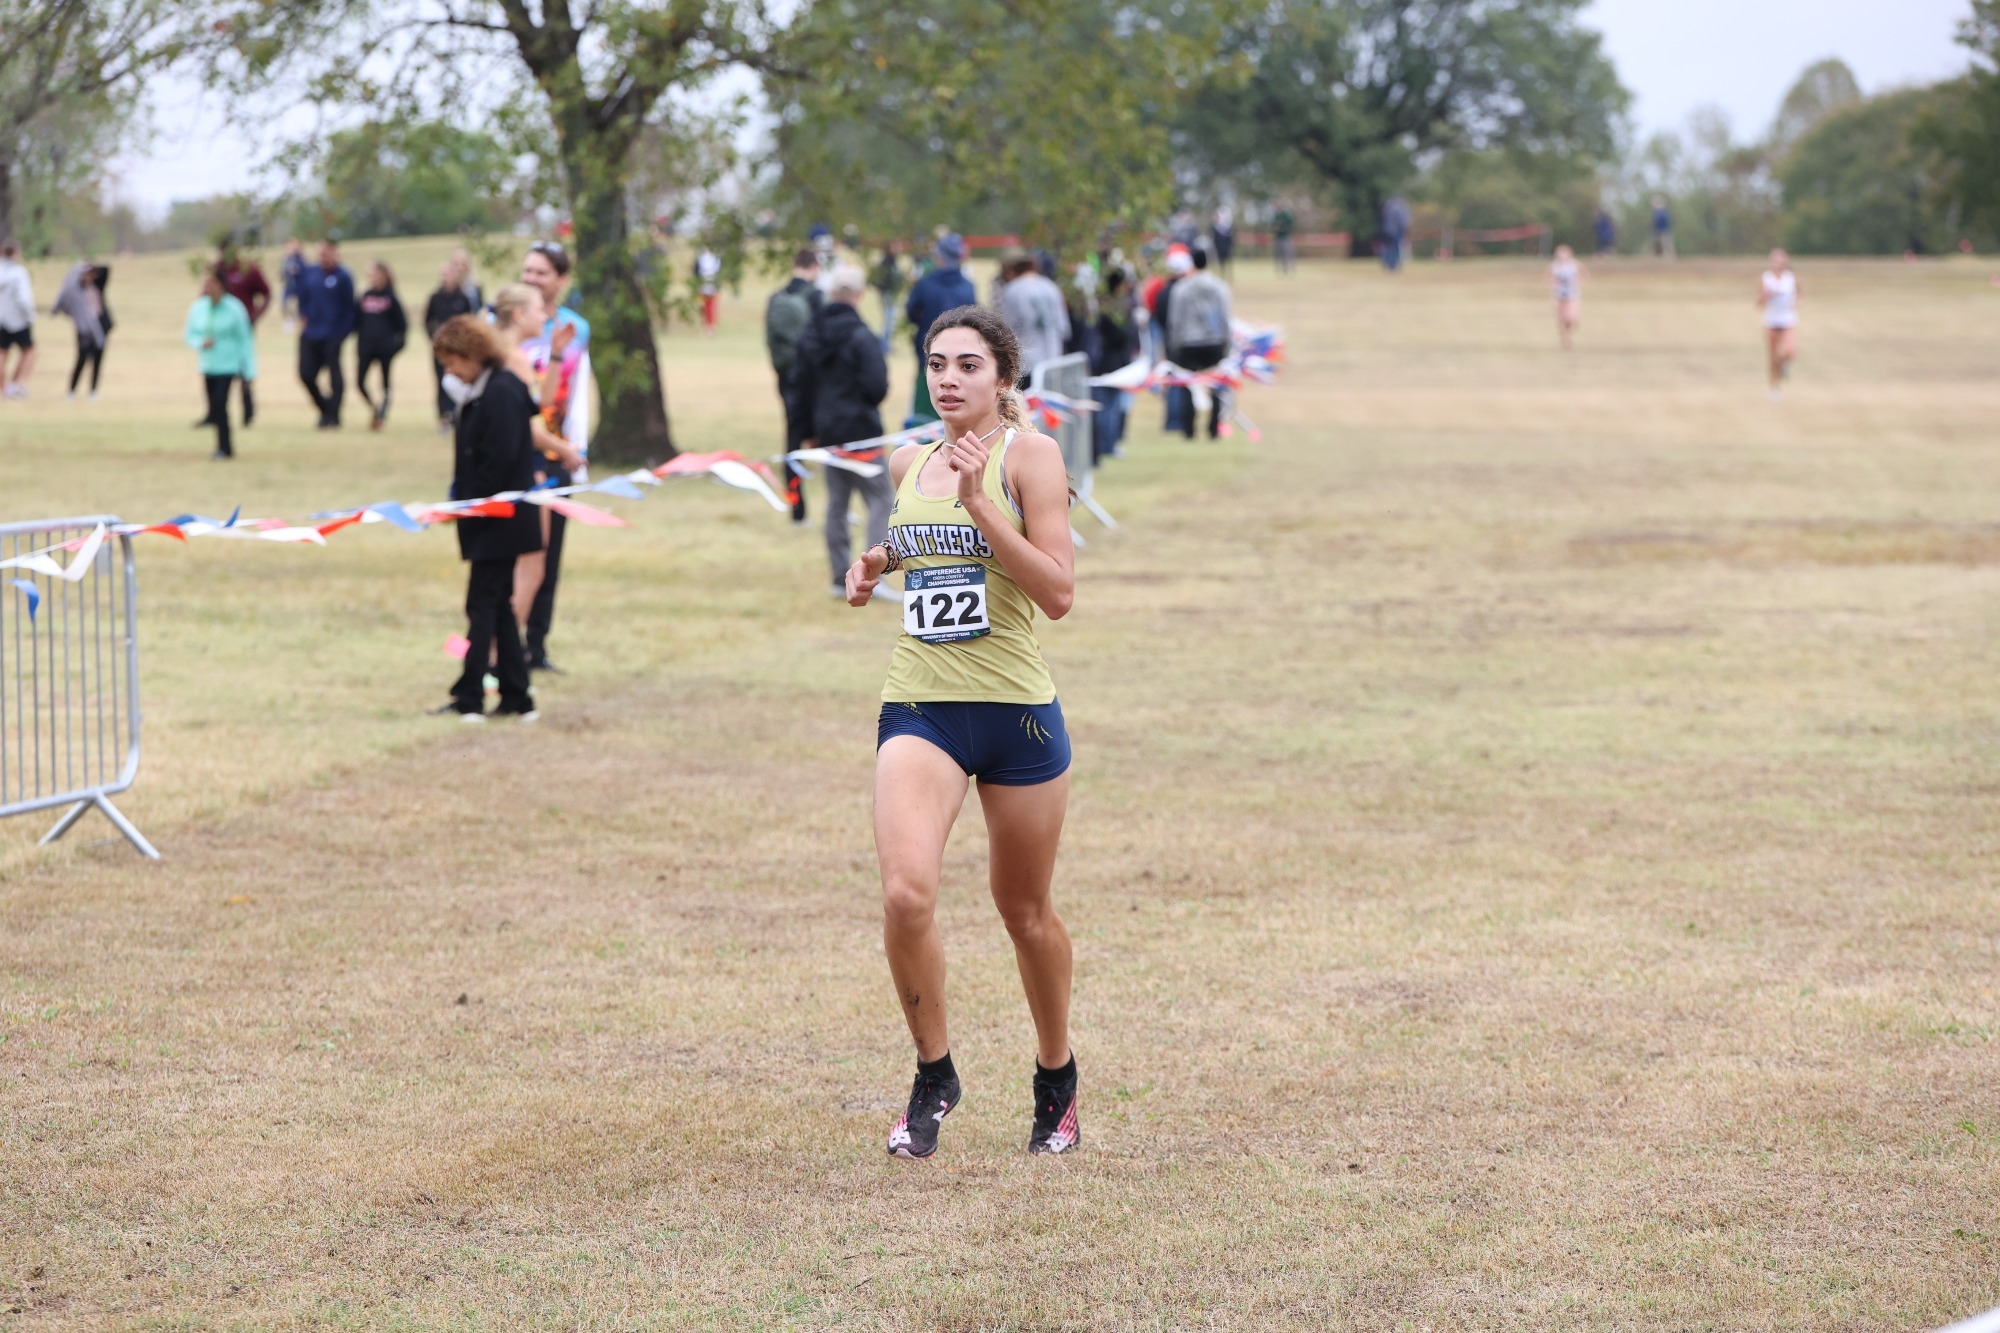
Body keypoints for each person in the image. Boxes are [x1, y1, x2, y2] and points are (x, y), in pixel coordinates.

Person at [841, 304, 1080, 1161]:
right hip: (923, 707)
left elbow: (1056, 591)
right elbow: (916, 542)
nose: (949, 378)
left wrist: (985, 504)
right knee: (906, 894)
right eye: (938, 363)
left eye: (969, 365)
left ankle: (1056, 1073)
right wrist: (874, 564)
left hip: (1016, 713)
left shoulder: (1034, 457)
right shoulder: (910, 458)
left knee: (1024, 911)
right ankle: (933, 1071)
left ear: (1003, 378)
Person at [429, 315, 543, 722]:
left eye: (451, 363)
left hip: (500, 519)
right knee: (498, 608)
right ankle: (517, 696)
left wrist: (463, 505)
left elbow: (498, 461)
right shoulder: (483, 391)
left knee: (482, 604)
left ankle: (471, 696)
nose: (449, 372)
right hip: (490, 517)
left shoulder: (500, 392)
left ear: (471, 355)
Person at [790, 264, 894, 598]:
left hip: (826, 432)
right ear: (859, 295)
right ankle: (871, 573)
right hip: (862, 430)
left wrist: (807, 428)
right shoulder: (862, 336)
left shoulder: (811, 334)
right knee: (881, 497)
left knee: (837, 502)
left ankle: (839, 577)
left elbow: (799, 387)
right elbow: (877, 386)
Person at [515, 239, 594, 673]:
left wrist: (576, 449)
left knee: (550, 554)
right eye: (527, 270)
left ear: (561, 280)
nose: (532, 279)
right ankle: (501, 646)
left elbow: (576, 392)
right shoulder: (504, 321)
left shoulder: (575, 329)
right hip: (519, 450)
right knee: (516, 555)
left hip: (557, 452)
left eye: (541, 272)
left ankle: (536, 646)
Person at [489, 283, 585, 637]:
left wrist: (558, 353)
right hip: (525, 470)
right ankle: (499, 653)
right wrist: (566, 451)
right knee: (529, 569)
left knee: (522, 568)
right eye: (538, 309)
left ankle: (498, 653)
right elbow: (527, 427)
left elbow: (539, 405)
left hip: (520, 468)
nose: (545, 315)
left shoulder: (512, 353)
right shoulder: (511, 358)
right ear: (518, 315)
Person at [767, 247, 826, 522]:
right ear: (814, 266)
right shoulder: (815, 297)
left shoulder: (776, 298)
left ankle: (797, 510)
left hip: (786, 381)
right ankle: (837, 508)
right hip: (815, 385)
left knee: (792, 446)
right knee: (830, 447)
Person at [902, 232, 976, 426]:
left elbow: (911, 312)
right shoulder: (967, 287)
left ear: (939, 256)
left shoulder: (925, 284)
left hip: (929, 359)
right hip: (962, 360)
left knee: (925, 416)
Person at [183, 270, 256, 460]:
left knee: (220, 404)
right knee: (214, 408)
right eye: (206, 283)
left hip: (229, 364)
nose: (208, 287)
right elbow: (190, 334)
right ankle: (222, 445)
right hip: (208, 364)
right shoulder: (199, 307)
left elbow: (245, 340)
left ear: (221, 284)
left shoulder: (234, 308)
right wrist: (201, 342)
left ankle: (225, 448)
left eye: (211, 283)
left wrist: (249, 369)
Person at [1166, 248, 1233, 439]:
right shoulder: (1219, 286)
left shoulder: (1182, 287)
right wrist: (1226, 342)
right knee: (1217, 385)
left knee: (1188, 385)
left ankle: (1189, 428)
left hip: (1188, 342)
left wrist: (1174, 342)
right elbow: (1225, 316)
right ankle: (1214, 427)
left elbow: (1175, 318)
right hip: (1214, 341)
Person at [296, 236, 357, 428]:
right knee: (306, 373)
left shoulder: (343, 276)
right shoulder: (310, 274)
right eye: (321, 252)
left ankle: (334, 415)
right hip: (311, 332)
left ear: (335, 253)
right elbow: (302, 299)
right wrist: (303, 317)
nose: (324, 256)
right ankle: (325, 408)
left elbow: (350, 307)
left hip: (333, 333)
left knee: (334, 373)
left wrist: (344, 331)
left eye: (327, 252)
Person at [997, 252, 1070, 383]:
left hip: (1027, 365)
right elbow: (1064, 329)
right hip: (1053, 362)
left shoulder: (1013, 289)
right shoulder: (1052, 287)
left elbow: (1005, 331)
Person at [1090, 268, 1140, 462]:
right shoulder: (1118, 307)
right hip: (1113, 363)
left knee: (1108, 406)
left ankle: (1106, 444)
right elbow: (1123, 335)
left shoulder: (1102, 306)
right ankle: (1107, 445)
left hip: (1108, 362)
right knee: (1109, 407)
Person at [216, 246, 270, 423]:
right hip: (221, 329)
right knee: (220, 367)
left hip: (244, 328)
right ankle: (215, 411)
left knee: (244, 365)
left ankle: (248, 407)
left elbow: (266, 292)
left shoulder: (248, 269)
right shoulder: (218, 269)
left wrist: (256, 316)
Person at [353, 262, 408, 431]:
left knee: (384, 382)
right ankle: (375, 408)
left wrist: (395, 346)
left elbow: (402, 325)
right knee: (360, 383)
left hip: (385, 348)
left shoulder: (390, 297)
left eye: (375, 273)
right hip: (366, 347)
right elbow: (357, 322)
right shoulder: (365, 296)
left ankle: (383, 411)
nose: (372, 277)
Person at [425, 258, 477, 431]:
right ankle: (444, 417)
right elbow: (427, 321)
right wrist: (434, 338)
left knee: (459, 381)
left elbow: (469, 321)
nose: (446, 278)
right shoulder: (435, 297)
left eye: (449, 274)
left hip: (459, 349)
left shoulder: (462, 298)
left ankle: (459, 415)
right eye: (443, 274)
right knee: (441, 381)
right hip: (440, 348)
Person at [52, 260, 111, 400]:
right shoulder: (76, 291)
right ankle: (72, 391)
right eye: (87, 274)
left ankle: (93, 391)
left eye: (91, 274)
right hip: (84, 330)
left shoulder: (97, 287)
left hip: (100, 327)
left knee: (97, 361)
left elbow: (107, 269)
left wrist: (90, 266)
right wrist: (80, 270)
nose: (89, 277)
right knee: (81, 359)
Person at [1758, 248, 1800, 401]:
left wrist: (1796, 300)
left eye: (1782, 261)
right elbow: (1759, 302)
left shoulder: (1791, 278)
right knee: (1772, 357)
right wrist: (1767, 296)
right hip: (1771, 320)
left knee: (1790, 351)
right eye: (1776, 261)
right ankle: (1774, 389)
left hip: (1788, 319)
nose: (1779, 263)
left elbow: (1799, 295)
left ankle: (1783, 365)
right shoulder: (1766, 279)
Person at [0, 241, 37, 399]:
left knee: (2, 353)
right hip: (18, 320)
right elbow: (23, 298)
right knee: (29, 351)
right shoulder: (19, 272)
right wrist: (30, 316)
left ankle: (2, 389)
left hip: (0, 319)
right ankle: (16, 384)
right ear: (15, 253)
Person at [869, 246, 904, 352]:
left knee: (890, 320)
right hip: (887, 294)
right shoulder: (886, 262)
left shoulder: (892, 261)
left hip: (890, 294)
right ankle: (884, 345)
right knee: (889, 319)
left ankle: (886, 344)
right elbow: (878, 279)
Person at [1550, 244, 1582, 352]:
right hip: (1559, 295)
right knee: (1561, 319)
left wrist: (1577, 283)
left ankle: (1570, 330)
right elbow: (1550, 279)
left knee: (1570, 319)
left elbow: (1582, 275)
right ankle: (1564, 339)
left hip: (1572, 295)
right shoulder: (1555, 267)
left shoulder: (1574, 265)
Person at [278, 239, 306, 331]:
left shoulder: (300, 259)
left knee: (298, 306)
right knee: (283, 304)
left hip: (299, 286)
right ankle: (289, 321)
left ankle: (298, 322)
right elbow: (283, 272)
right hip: (289, 286)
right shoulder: (286, 259)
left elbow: (304, 271)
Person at [1380, 195, 1412, 272]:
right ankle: (1393, 265)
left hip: (1386, 230)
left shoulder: (1387, 208)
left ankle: (1386, 263)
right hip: (1395, 231)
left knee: (1388, 247)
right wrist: (1405, 229)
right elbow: (1402, 221)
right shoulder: (1398, 209)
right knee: (1395, 248)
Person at [696, 247, 721, 335]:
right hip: (705, 286)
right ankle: (707, 326)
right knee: (706, 307)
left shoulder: (713, 258)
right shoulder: (706, 258)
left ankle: (709, 326)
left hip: (709, 286)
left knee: (709, 306)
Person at [1211, 205, 1236, 277]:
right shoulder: (1216, 228)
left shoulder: (1228, 228)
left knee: (1228, 261)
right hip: (1219, 248)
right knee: (1220, 261)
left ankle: (1228, 274)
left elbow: (1231, 239)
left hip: (1226, 248)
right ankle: (1221, 273)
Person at [1272, 207, 1297, 274]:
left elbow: (1290, 226)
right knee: (1278, 254)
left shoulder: (1287, 216)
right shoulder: (1276, 216)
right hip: (1278, 238)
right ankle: (1278, 269)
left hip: (1286, 238)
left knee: (1287, 254)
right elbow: (1274, 226)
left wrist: (1282, 227)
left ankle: (1288, 269)